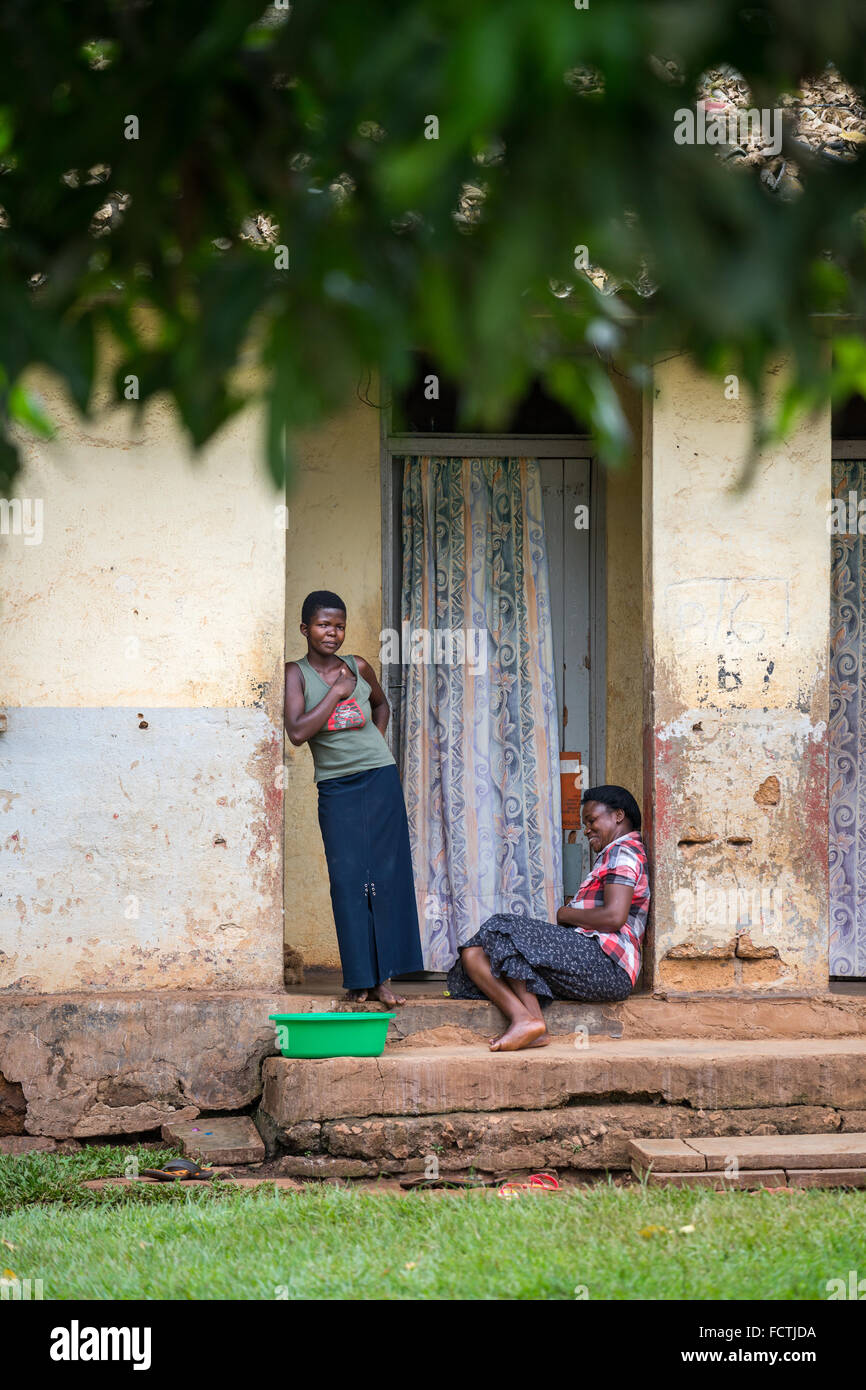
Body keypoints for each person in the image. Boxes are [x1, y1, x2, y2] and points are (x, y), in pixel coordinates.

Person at [284, 590, 423, 1005]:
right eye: (324, 625)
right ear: (305, 628)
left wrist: (374, 745)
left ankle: (383, 981)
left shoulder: (359, 666)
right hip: (337, 786)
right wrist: (336, 693)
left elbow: (382, 706)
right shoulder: (295, 674)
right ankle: (358, 979)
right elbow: (297, 731)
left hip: (379, 779)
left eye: (339, 625)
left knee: (384, 880)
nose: (333, 633)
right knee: (348, 883)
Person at [445, 785, 650, 1050]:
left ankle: (526, 1019)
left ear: (618, 815)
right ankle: (531, 1024)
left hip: (608, 964)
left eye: (591, 820)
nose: (587, 829)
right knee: (475, 953)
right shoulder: (613, 854)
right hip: (596, 962)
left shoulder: (624, 851)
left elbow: (614, 916)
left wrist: (566, 913)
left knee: (502, 927)